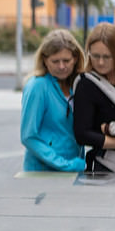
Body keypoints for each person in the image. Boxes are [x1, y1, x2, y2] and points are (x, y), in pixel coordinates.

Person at [20, 29, 86, 172]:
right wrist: (64, 165)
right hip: (42, 173)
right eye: (55, 61)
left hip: (72, 169)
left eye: (66, 60)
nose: (62, 66)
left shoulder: (78, 84)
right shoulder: (37, 87)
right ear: (44, 60)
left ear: (75, 58)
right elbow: (28, 136)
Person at [73, 22, 115, 172]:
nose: (100, 62)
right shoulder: (86, 84)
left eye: (107, 57)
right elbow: (82, 134)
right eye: (95, 56)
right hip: (105, 166)